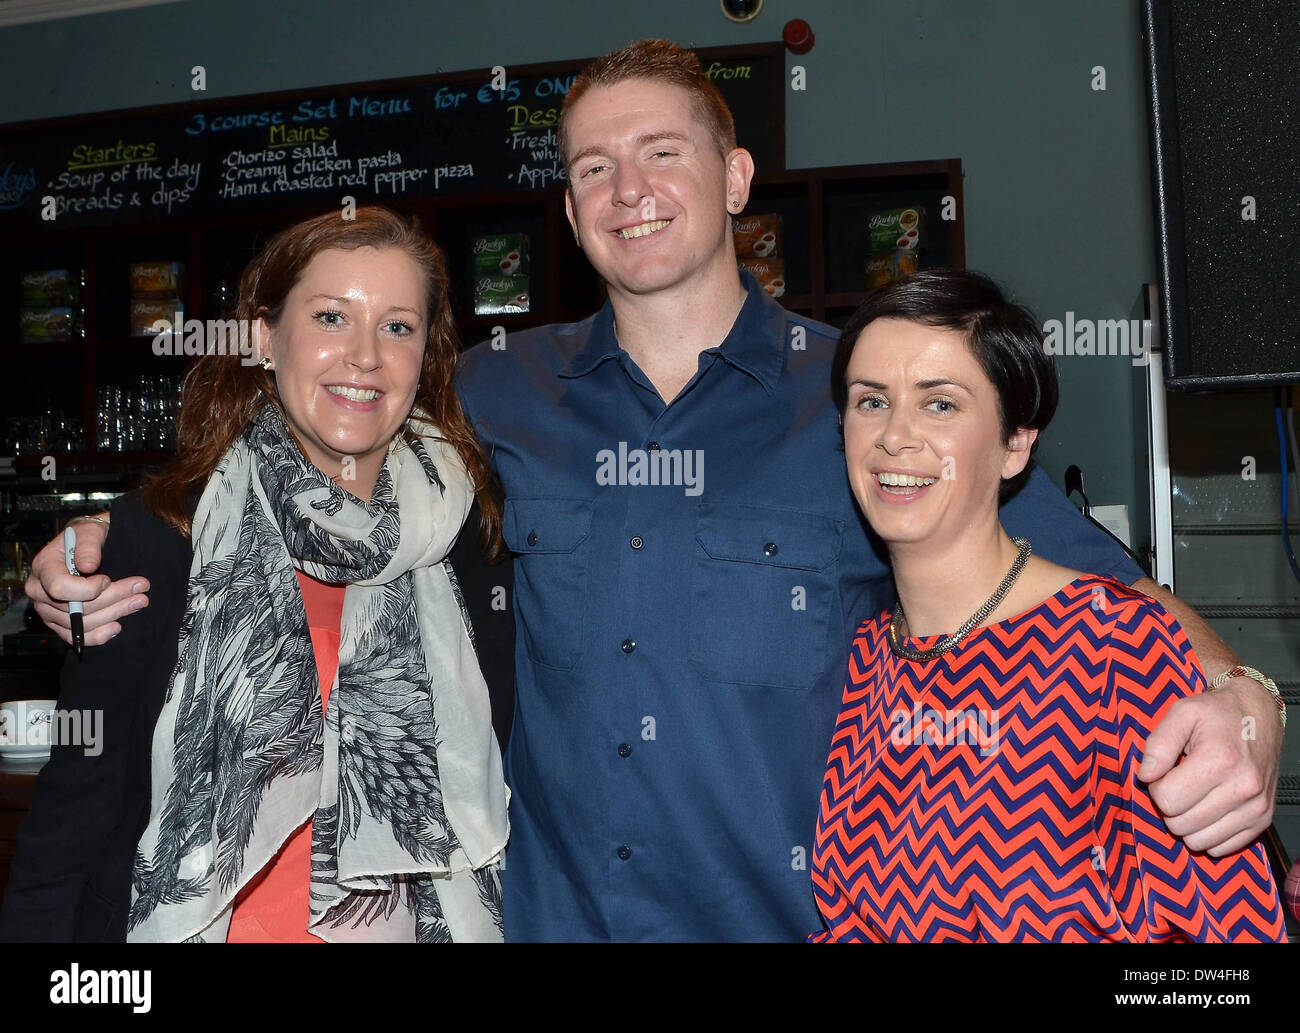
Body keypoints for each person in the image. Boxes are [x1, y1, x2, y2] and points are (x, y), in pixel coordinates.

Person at [23, 40, 1285, 942]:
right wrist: (102, 542)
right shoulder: (493, 398)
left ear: (735, 181)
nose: (628, 191)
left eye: (661, 154)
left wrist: (1245, 695)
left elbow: (1108, 594)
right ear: (567, 212)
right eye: (590, 169)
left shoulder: (867, 401)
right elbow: (313, 460)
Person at [0, 207, 509, 943]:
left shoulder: (473, 541)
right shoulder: (160, 540)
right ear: (266, 338)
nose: (364, 355)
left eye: (397, 326)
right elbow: (70, 822)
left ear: (425, 355)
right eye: (332, 317)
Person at [809, 269, 1285, 941]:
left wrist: (1253, 693)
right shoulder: (866, 664)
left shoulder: (1115, 647)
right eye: (871, 401)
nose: (895, 436)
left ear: (1015, 444)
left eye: (940, 403)